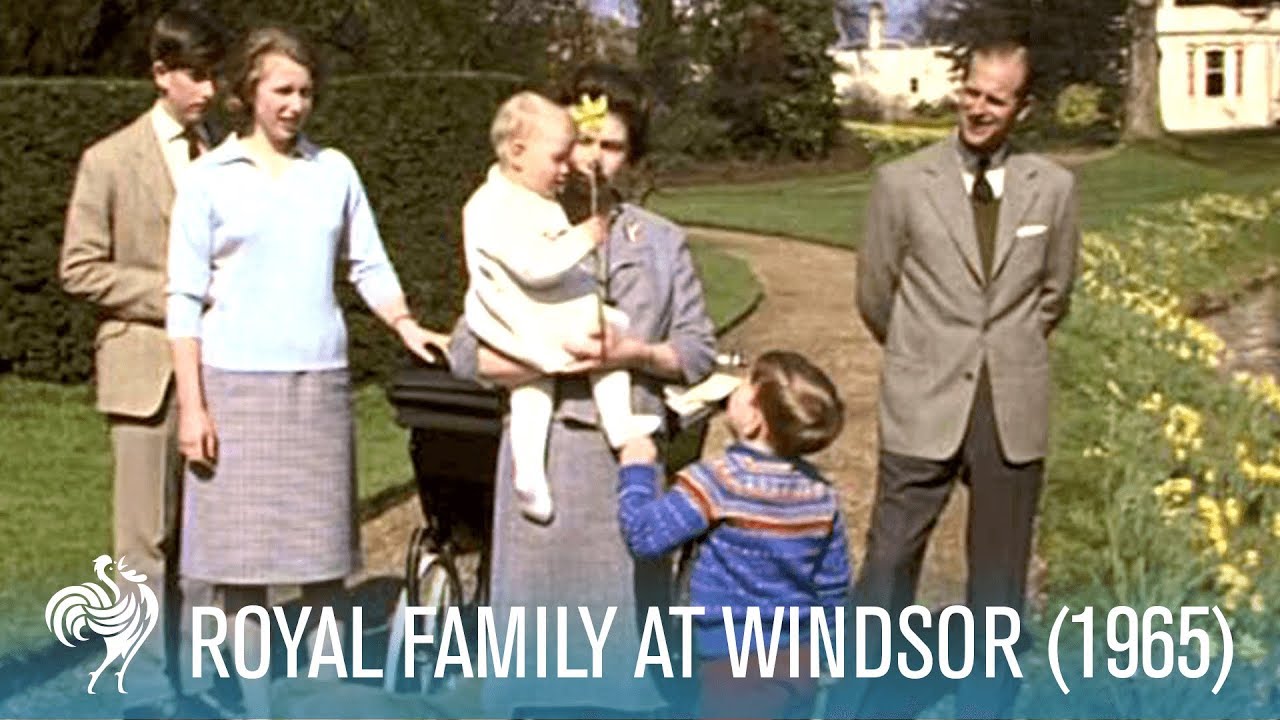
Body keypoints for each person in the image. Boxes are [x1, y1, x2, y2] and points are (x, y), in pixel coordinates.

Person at [164, 26, 448, 716]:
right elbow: (182, 299)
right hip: (234, 390)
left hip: (317, 389)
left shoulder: (335, 171)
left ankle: (321, 701)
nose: (295, 105)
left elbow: (368, 263)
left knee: (322, 566)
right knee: (242, 572)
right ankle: (259, 706)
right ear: (248, 94)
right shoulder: (208, 178)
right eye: (282, 91)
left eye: (306, 92)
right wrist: (194, 409)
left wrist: (405, 323)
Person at [448, 63, 717, 717]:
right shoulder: (516, 221)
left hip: (626, 464)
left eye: (613, 146)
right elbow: (465, 351)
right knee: (538, 664)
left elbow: (698, 351)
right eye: (584, 142)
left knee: (617, 663)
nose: (593, 159)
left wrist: (634, 353)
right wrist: (549, 361)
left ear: (633, 157)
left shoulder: (661, 242)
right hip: (544, 459)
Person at [853, 39, 1081, 718]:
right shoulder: (901, 183)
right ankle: (867, 696)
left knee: (1000, 573)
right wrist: (924, 351)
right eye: (972, 92)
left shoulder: (1054, 188)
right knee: (890, 559)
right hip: (922, 394)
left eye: (997, 100)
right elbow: (876, 293)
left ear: (1022, 108)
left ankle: (985, 702)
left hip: (1010, 401)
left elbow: (1055, 293)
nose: (979, 109)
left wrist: (1003, 350)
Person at [57, 8, 227, 717]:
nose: (210, 90)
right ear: (161, 74)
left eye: (215, 75)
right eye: (197, 75)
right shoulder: (108, 160)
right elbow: (79, 267)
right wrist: (174, 294)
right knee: (142, 542)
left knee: (206, 540)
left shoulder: (223, 155)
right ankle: (145, 687)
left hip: (216, 370)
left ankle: (201, 678)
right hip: (144, 373)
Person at [616, 350, 850, 720]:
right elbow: (833, 585)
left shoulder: (719, 482)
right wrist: (830, 655)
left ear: (755, 419)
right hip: (801, 659)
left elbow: (645, 537)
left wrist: (636, 470)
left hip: (734, 663)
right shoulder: (820, 493)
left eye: (744, 384)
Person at [461, 90, 661, 524]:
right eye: (558, 157)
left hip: (526, 319)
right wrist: (583, 238)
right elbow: (534, 266)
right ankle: (616, 424)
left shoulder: (526, 196)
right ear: (517, 153)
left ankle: (532, 471)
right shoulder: (495, 205)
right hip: (525, 318)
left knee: (532, 389)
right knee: (603, 330)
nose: (568, 166)